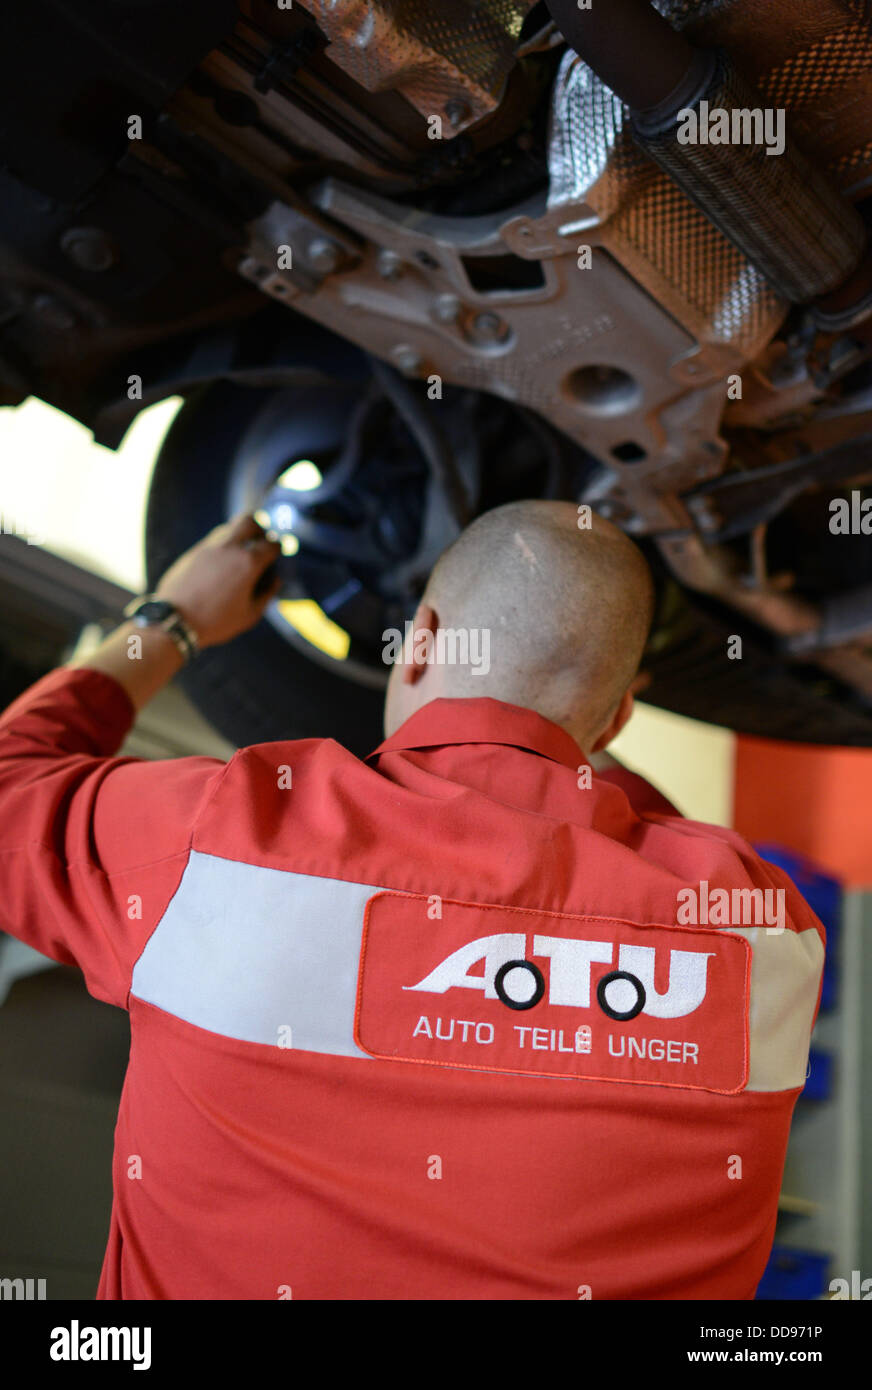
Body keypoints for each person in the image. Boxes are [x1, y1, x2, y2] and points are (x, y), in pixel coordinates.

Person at [0, 501, 824, 1299]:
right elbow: (628, 843)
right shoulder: (764, 932)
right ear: (616, 720)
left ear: (421, 638)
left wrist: (172, 616)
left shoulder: (224, 842)